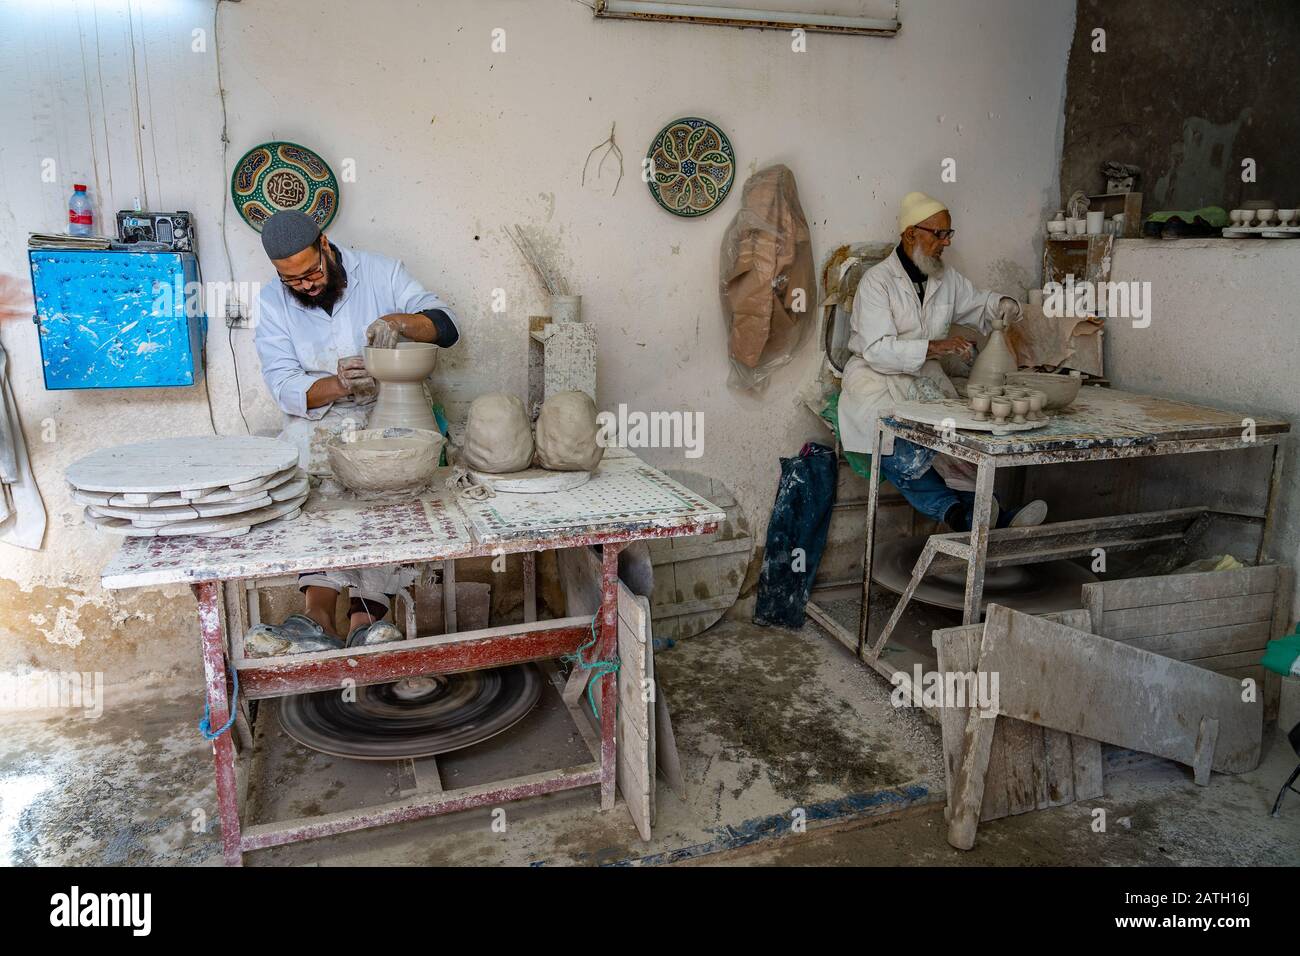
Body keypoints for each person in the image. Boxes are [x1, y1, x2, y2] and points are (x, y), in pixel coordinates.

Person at [247, 211, 459, 652]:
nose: (305, 285)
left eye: (311, 272)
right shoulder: (271, 301)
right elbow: (283, 386)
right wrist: (339, 385)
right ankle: (317, 619)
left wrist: (399, 323)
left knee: (390, 499)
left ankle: (366, 617)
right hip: (321, 424)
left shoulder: (380, 271)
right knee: (318, 506)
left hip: (391, 412)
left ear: (325, 244)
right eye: (293, 281)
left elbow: (446, 324)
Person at [838, 192, 1047, 531]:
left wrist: (1003, 306)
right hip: (876, 382)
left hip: (925, 378)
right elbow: (877, 349)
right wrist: (937, 346)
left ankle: (993, 515)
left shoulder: (944, 278)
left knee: (956, 444)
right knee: (900, 451)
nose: (945, 243)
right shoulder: (877, 282)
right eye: (939, 234)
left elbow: (978, 304)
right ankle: (959, 515)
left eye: (949, 234)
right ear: (910, 233)